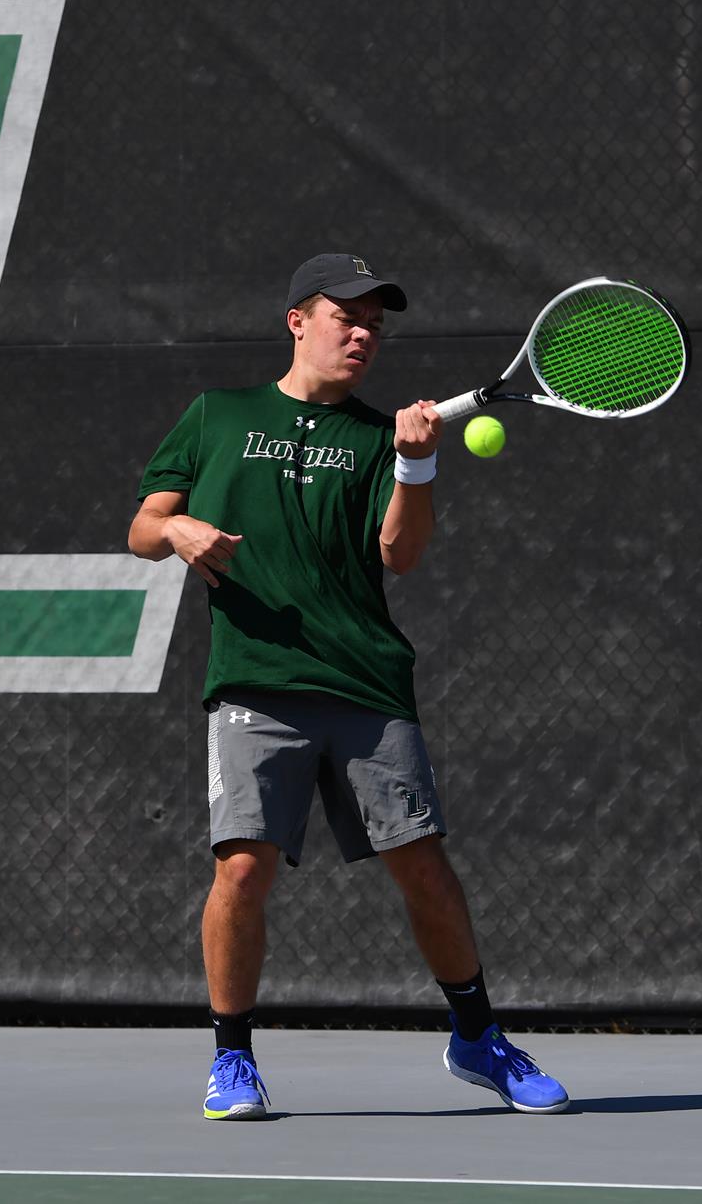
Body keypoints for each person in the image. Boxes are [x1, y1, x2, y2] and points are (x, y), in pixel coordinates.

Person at [128, 253, 570, 1120]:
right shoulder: (218, 415)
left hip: (365, 683)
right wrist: (178, 527)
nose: (364, 332)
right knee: (242, 870)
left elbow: (399, 555)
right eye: (347, 315)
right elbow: (141, 525)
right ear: (299, 319)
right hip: (256, 681)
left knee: (425, 869)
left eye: (377, 322)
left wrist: (414, 467)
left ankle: (478, 1038)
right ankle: (231, 1059)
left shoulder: (378, 436)